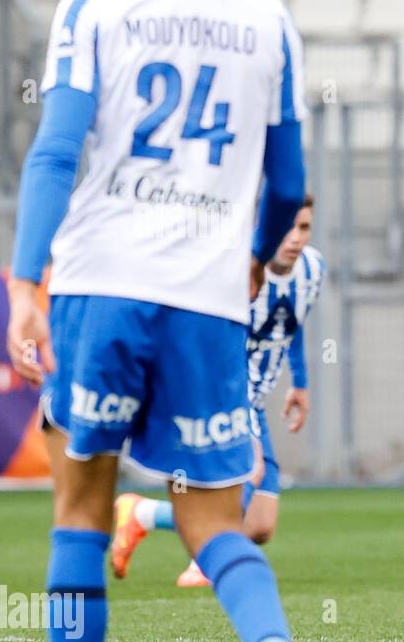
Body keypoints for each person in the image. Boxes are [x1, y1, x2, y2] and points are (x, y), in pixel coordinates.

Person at [5, 0, 330, 642]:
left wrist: (25, 285)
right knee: (215, 521)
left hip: (99, 287)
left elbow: (56, 149)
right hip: (205, 297)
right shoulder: (267, 18)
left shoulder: (92, 6)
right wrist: (256, 261)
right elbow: (292, 184)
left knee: (79, 511)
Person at [111, 197, 325, 587]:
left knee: (260, 526)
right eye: (287, 226)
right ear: (263, 225)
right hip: (223, 390)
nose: (295, 238)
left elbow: (293, 324)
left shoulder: (312, 268)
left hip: (257, 402)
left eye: (305, 228)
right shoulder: (237, 272)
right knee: (250, 468)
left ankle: (140, 513)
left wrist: (301, 383)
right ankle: (205, 559)